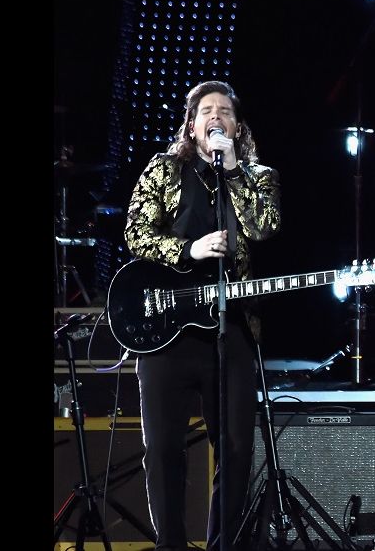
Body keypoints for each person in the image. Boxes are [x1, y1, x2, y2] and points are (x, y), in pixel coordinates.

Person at [124, 80, 280, 550]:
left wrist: (234, 173)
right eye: (207, 110)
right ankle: (169, 544)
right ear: (192, 127)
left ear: (236, 126)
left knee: (235, 450)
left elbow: (264, 227)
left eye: (226, 111)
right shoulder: (164, 170)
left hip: (230, 331)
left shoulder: (258, 175)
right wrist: (188, 248)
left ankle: (222, 546)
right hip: (167, 333)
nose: (217, 116)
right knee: (165, 449)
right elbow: (134, 233)